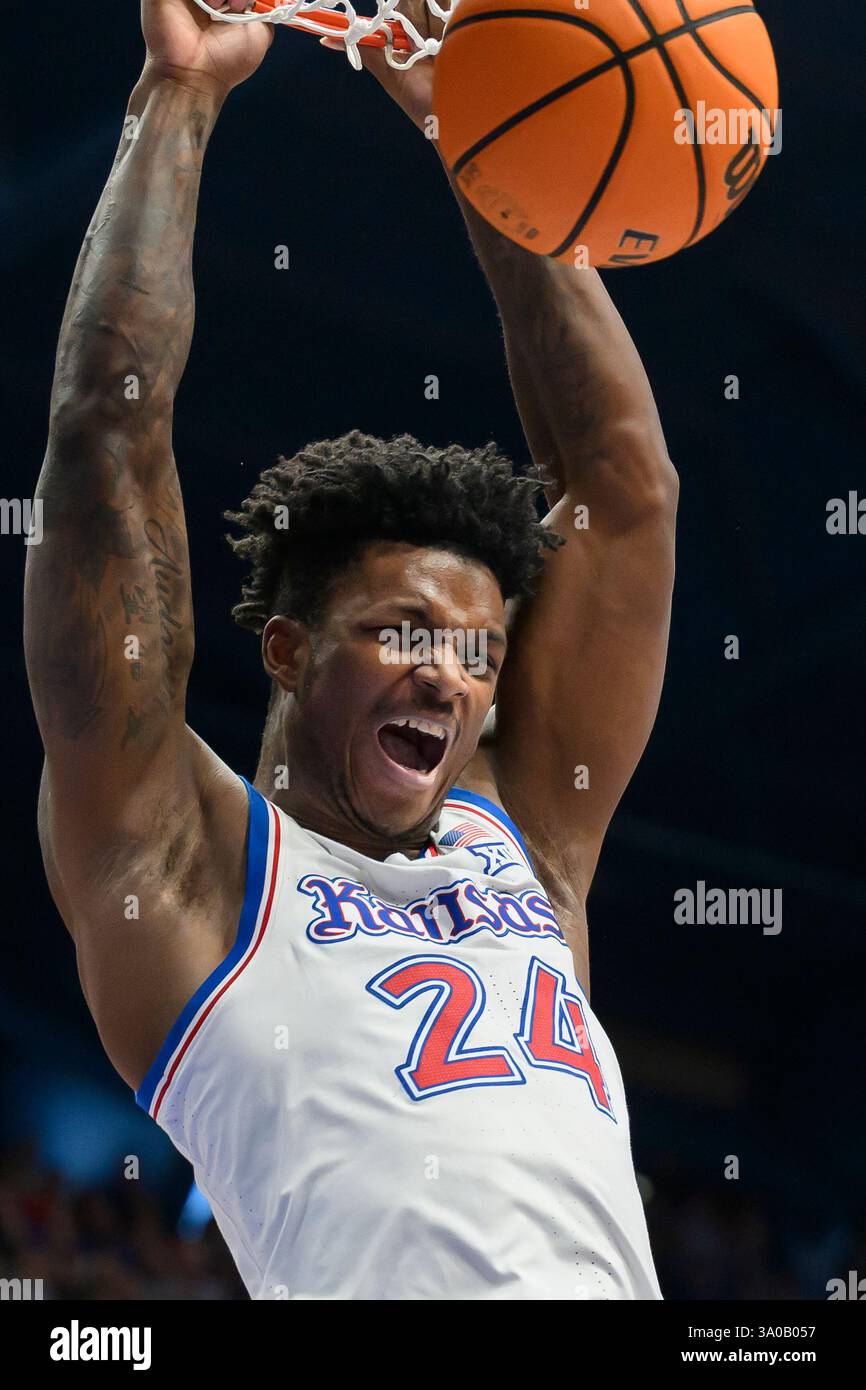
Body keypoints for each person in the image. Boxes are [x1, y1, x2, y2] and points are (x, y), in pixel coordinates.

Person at [24, 0, 677, 1299]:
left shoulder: (528, 842)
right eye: (402, 633)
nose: (449, 673)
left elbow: (627, 486)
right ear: (284, 649)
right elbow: (104, 435)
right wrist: (181, 97)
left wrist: (471, 126)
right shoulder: (186, 869)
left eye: (477, 651)